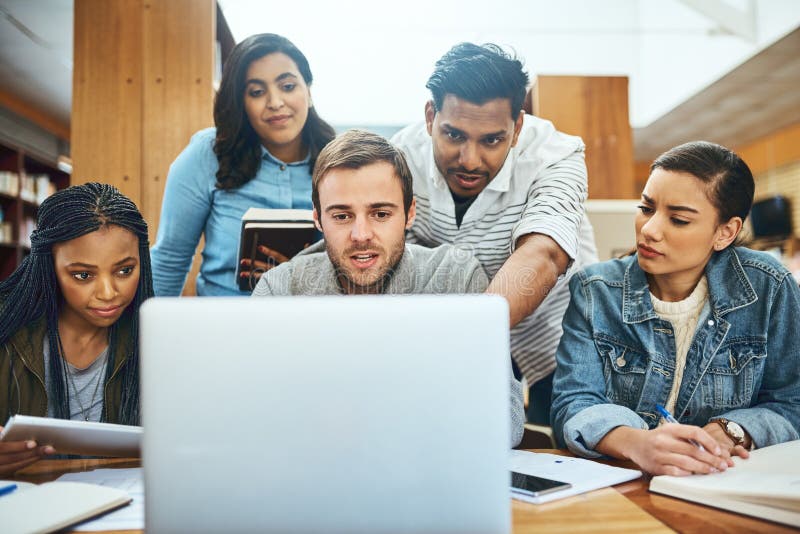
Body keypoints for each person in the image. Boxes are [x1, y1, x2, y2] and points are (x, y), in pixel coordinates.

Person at [253, 129, 525, 446]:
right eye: (341, 216)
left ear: (410, 214)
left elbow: (505, 421)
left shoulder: (456, 278)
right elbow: (252, 415)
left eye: (381, 214)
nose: (361, 234)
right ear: (317, 219)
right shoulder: (281, 290)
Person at [551, 141, 800, 476]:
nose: (649, 230)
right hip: (624, 484)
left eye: (679, 220)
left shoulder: (769, 287)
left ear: (726, 232)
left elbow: (792, 402)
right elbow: (572, 405)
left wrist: (731, 430)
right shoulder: (595, 290)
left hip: (724, 480)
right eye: (646, 208)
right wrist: (637, 442)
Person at [391, 43, 597, 424]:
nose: (469, 160)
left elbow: (544, 253)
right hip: (444, 335)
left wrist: (471, 333)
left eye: (491, 140)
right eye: (454, 135)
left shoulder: (557, 155)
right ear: (431, 116)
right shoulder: (397, 159)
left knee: (561, 439)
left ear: (517, 128)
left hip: (553, 334)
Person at [151, 33, 335, 296]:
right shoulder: (208, 153)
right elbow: (169, 260)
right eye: (257, 92)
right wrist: (150, 323)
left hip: (313, 317)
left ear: (309, 90)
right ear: (241, 103)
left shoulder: (338, 160)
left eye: (287, 86)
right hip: (225, 317)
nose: (275, 102)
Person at [0, 182, 154, 475]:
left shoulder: (157, 340)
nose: (108, 293)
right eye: (83, 275)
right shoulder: (6, 326)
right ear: (48, 267)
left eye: (125, 270)